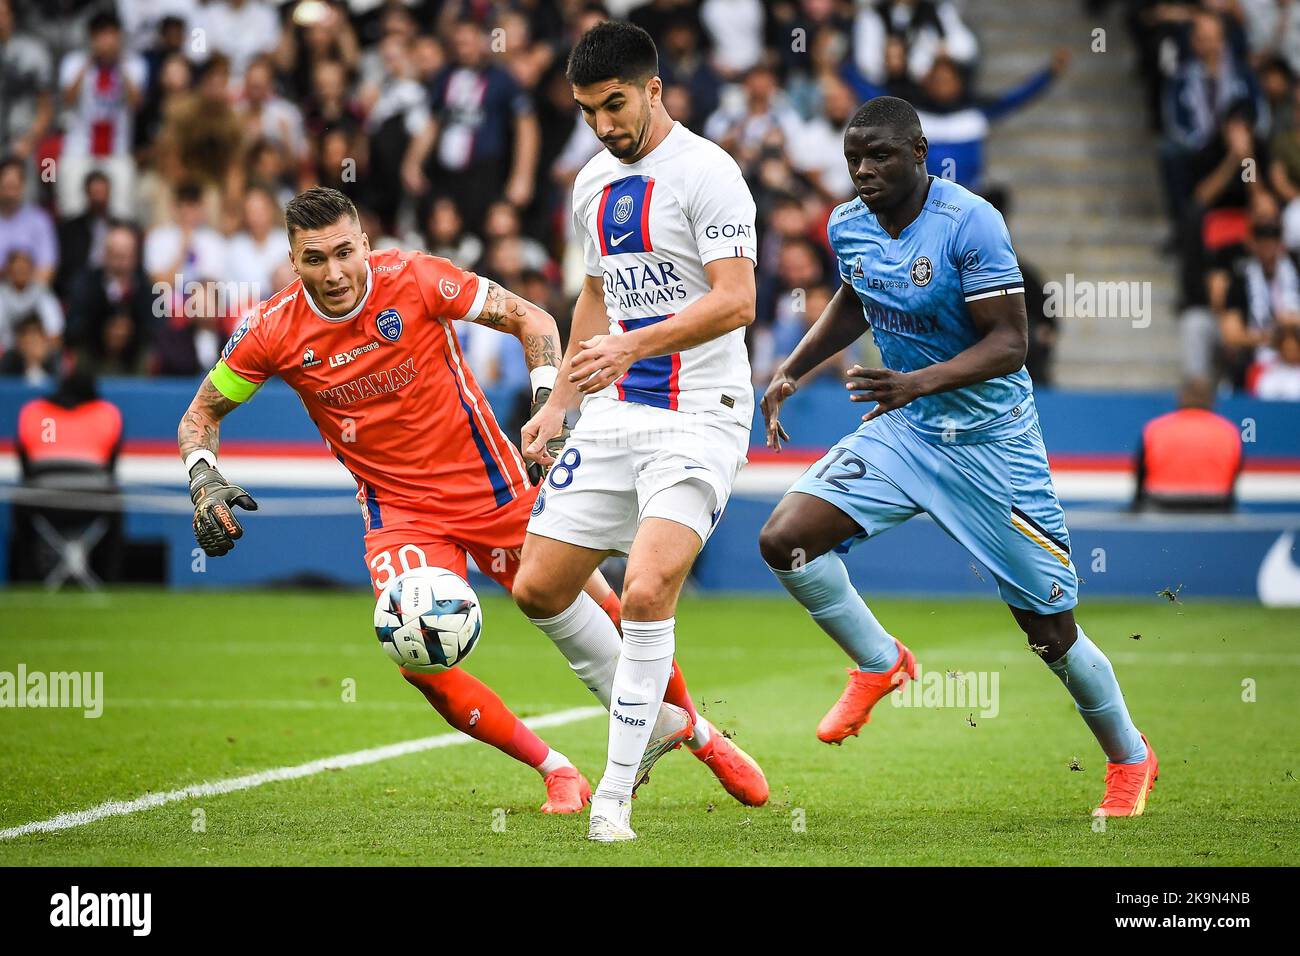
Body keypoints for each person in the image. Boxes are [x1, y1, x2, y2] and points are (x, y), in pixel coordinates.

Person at [758, 96, 1158, 819]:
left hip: (989, 445)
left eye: (879, 155)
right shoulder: (847, 223)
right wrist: (794, 365)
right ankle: (881, 662)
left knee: (1049, 633)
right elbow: (856, 295)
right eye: (853, 158)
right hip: (905, 430)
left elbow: (1010, 343)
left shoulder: (970, 222)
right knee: (785, 540)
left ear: (918, 153)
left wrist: (913, 381)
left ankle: (1130, 756)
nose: (863, 170)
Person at [180, 185, 638, 815]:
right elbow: (200, 415)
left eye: (345, 252)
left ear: (365, 243)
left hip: (496, 486)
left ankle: (700, 737)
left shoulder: (418, 277)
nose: (334, 273)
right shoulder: (271, 330)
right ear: (293, 261)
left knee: (605, 608)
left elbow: (533, 319)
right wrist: (203, 479)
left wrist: (546, 408)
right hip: (399, 513)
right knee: (418, 657)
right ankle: (555, 769)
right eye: (314, 260)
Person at [511, 21, 770, 843]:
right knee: (538, 587)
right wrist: (557, 401)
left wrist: (632, 342)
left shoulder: (711, 173)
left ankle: (613, 798)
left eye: (614, 105)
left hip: (702, 416)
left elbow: (737, 301)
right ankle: (667, 723)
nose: (603, 125)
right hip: (619, 410)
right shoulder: (591, 182)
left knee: (650, 588)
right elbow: (594, 293)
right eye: (587, 111)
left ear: (655, 89)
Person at [1134, 378, 1243, 511]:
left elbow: (1140, 473)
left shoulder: (1156, 428)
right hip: (1215, 504)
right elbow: (1235, 473)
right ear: (1211, 400)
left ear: (1180, 397)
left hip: (1161, 503)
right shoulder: (1229, 431)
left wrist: (1137, 506)